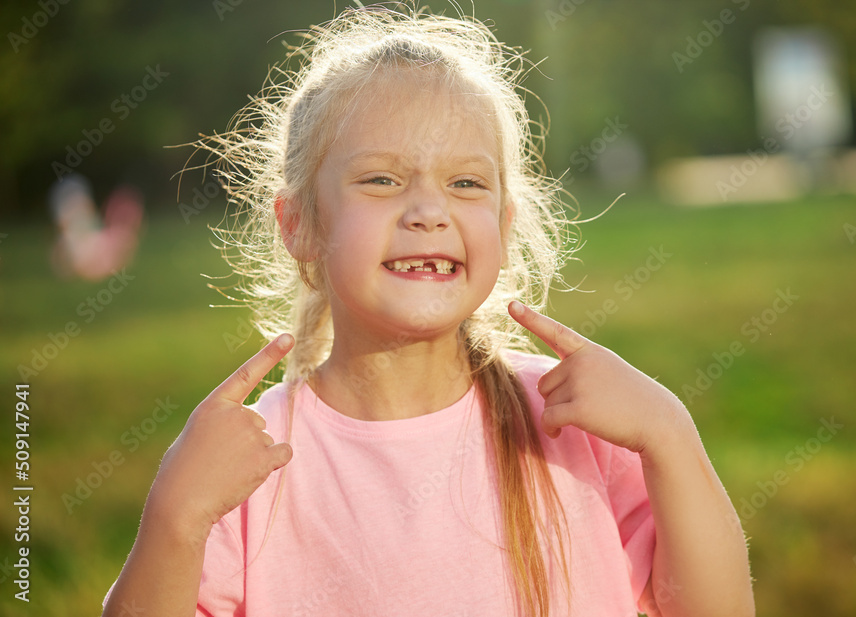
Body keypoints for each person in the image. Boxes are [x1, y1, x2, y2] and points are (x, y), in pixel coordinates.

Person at [103, 7, 754, 616]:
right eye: (382, 179)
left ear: (502, 222)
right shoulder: (250, 462)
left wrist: (671, 432)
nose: (428, 209)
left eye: (466, 183)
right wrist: (175, 518)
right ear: (300, 224)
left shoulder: (574, 423)